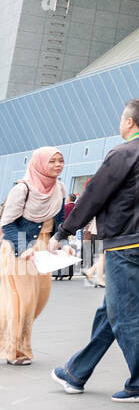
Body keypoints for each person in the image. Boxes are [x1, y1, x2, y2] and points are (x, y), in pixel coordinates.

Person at [51, 99, 139, 402]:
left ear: (129, 122)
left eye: (121, 118)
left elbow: (93, 195)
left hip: (126, 241)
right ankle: (75, 373)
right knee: (112, 310)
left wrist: (63, 231)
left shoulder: (123, 152)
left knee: (126, 313)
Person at [0, 147, 67, 364]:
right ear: (39, 163)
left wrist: (63, 243)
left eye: (61, 161)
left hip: (43, 252)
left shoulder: (60, 188)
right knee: (24, 302)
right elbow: (7, 223)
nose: (58, 165)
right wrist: (22, 248)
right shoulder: (22, 189)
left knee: (40, 300)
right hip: (20, 251)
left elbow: (59, 224)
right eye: (52, 161)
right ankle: (18, 351)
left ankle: (9, 338)